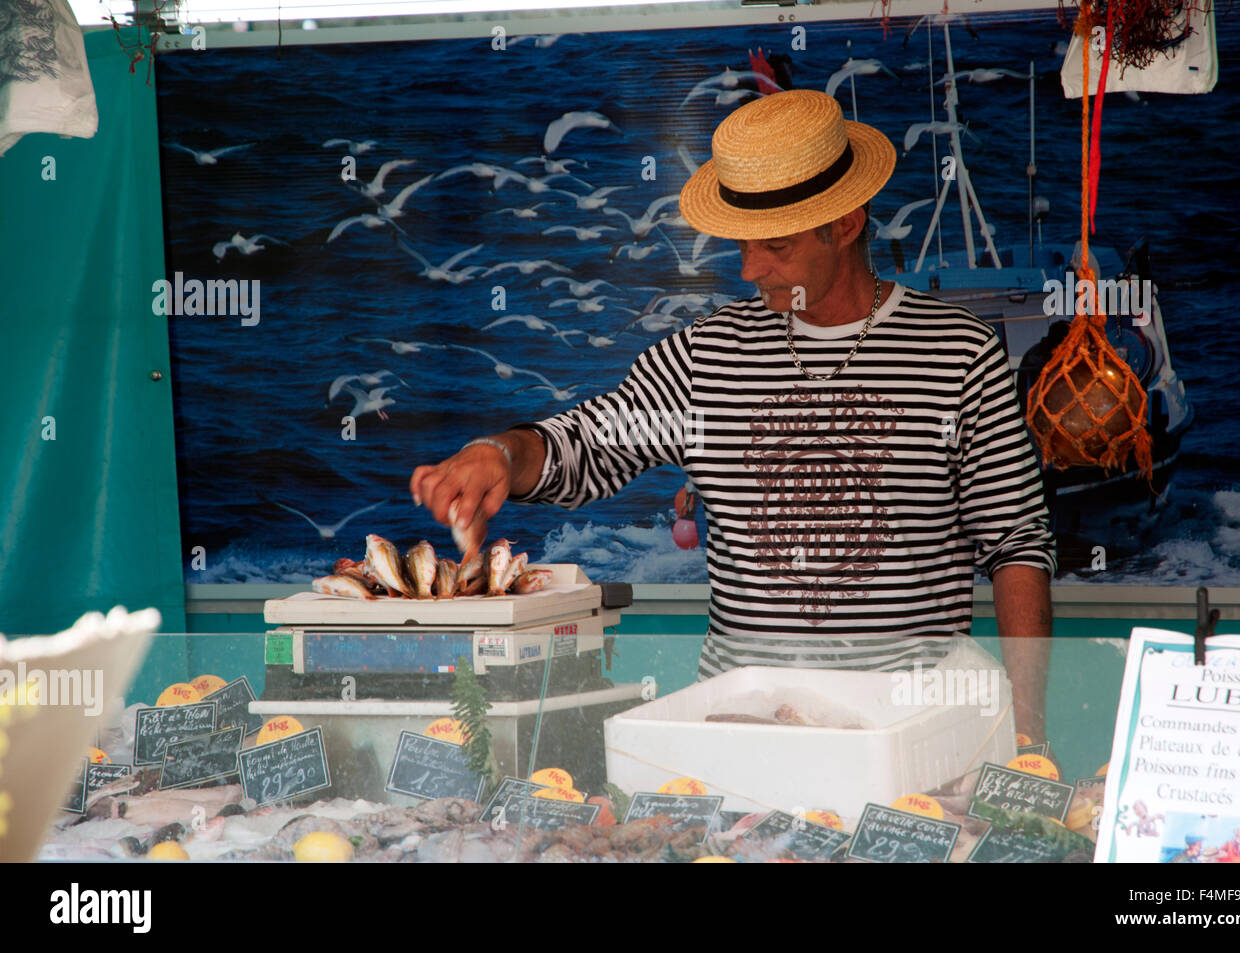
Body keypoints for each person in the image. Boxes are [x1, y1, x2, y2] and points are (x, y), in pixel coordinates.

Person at [410, 89, 1054, 740]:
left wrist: (1028, 733)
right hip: (737, 732)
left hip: (912, 732)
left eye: (774, 247)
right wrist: (501, 454)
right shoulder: (704, 357)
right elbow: (586, 445)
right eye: (742, 246)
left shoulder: (959, 353)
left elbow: (1018, 546)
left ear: (848, 222)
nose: (751, 269)